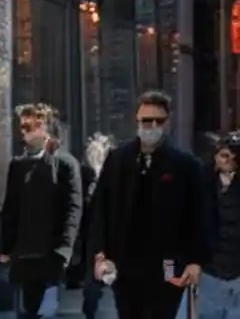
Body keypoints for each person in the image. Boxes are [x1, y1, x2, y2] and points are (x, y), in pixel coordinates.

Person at [89, 90, 208, 319]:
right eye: (146, 120)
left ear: (167, 122)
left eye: (158, 121)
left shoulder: (186, 166)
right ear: (137, 121)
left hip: (167, 262)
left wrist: (195, 261)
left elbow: (198, 216)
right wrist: (100, 254)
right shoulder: (118, 159)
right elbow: (99, 210)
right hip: (124, 262)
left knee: (162, 312)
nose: (152, 126)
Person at [1, 103, 83, 319]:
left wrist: (65, 248)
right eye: (23, 126)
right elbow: (11, 208)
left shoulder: (65, 163)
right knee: (27, 311)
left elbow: (72, 209)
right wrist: (6, 247)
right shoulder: (17, 165)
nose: (26, 131)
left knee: (50, 311)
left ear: (45, 128)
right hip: (24, 254)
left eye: (32, 125)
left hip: (52, 254)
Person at [197, 131, 240, 318]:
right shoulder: (201, 184)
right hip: (210, 274)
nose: (228, 160)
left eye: (235, 156)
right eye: (224, 155)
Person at [78, 133, 115, 319]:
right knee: (92, 286)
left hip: (111, 238)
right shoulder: (86, 176)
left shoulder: (115, 178)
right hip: (93, 238)